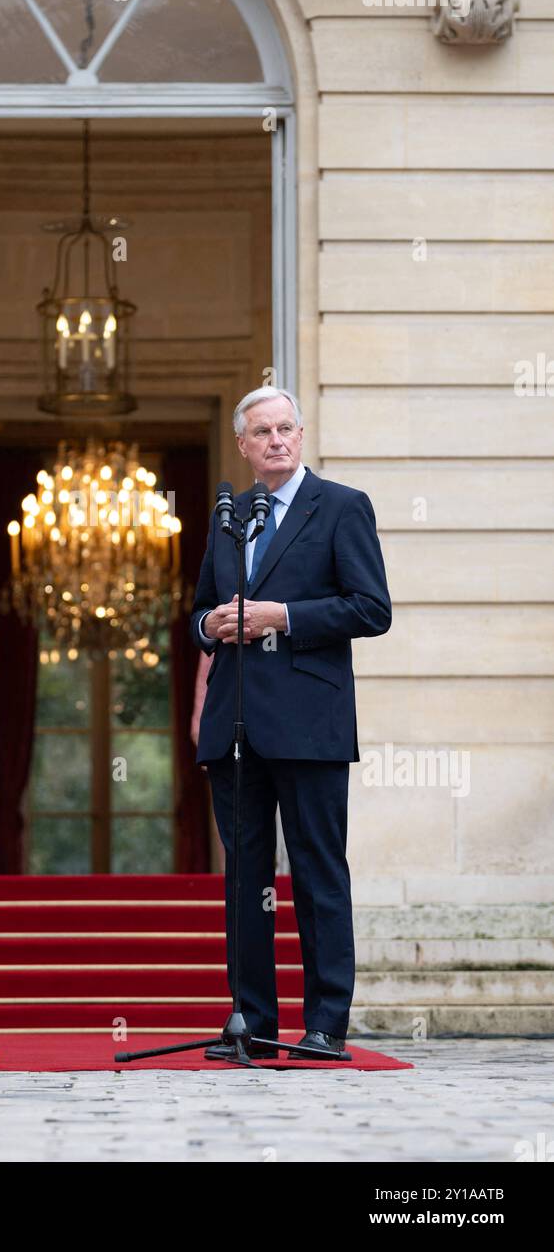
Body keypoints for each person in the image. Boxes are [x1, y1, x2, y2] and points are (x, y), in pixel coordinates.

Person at [191, 385, 392, 1060]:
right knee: (245, 879)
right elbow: (196, 613)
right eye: (262, 432)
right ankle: (254, 1022)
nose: (275, 440)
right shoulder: (229, 516)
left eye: (286, 429)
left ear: (300, 437)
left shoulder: (340, 508)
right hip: (236, 722)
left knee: (316, 873)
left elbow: (371, 609)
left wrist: (283, 617)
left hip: (310, 723)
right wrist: (210, 624)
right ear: (244, 446)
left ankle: (326, 1025)